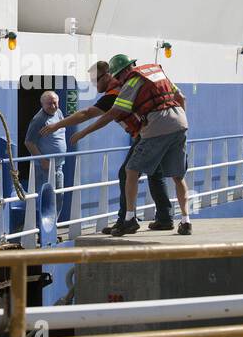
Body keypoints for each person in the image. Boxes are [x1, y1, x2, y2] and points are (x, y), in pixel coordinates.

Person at [42, 62, 173, 232]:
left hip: (145, 134)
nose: (94, 84)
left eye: (95, 80)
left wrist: (58, 125)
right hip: (154, 130)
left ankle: (127, 220)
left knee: (126, 173)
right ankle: (164, 218)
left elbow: (87, 113)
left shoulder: (115, 94)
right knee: (155, 173)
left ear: (107, 76)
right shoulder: (120, 89)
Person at [71, 54, 191, 236]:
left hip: (157, 127)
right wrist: (181, 122)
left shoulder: (132, 82)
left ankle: (129, 219)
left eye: (118, 76)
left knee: (130, 171)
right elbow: (181, 97)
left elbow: (114, 113)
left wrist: (83, 132)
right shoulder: (156, 72)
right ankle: (185, 220)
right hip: (180, 123)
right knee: (177, 176)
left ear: (125, 71)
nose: (118, 80)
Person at [24, 90, 67, 189]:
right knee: (44, 198)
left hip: (58, 165)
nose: (53, 106)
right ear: (42, 104)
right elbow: (29, 142)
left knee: (58, 196)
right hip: (44, 168)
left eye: (55, 103)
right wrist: (42, 161)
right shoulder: (39, 120)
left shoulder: (58, 112)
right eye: (49, 104)